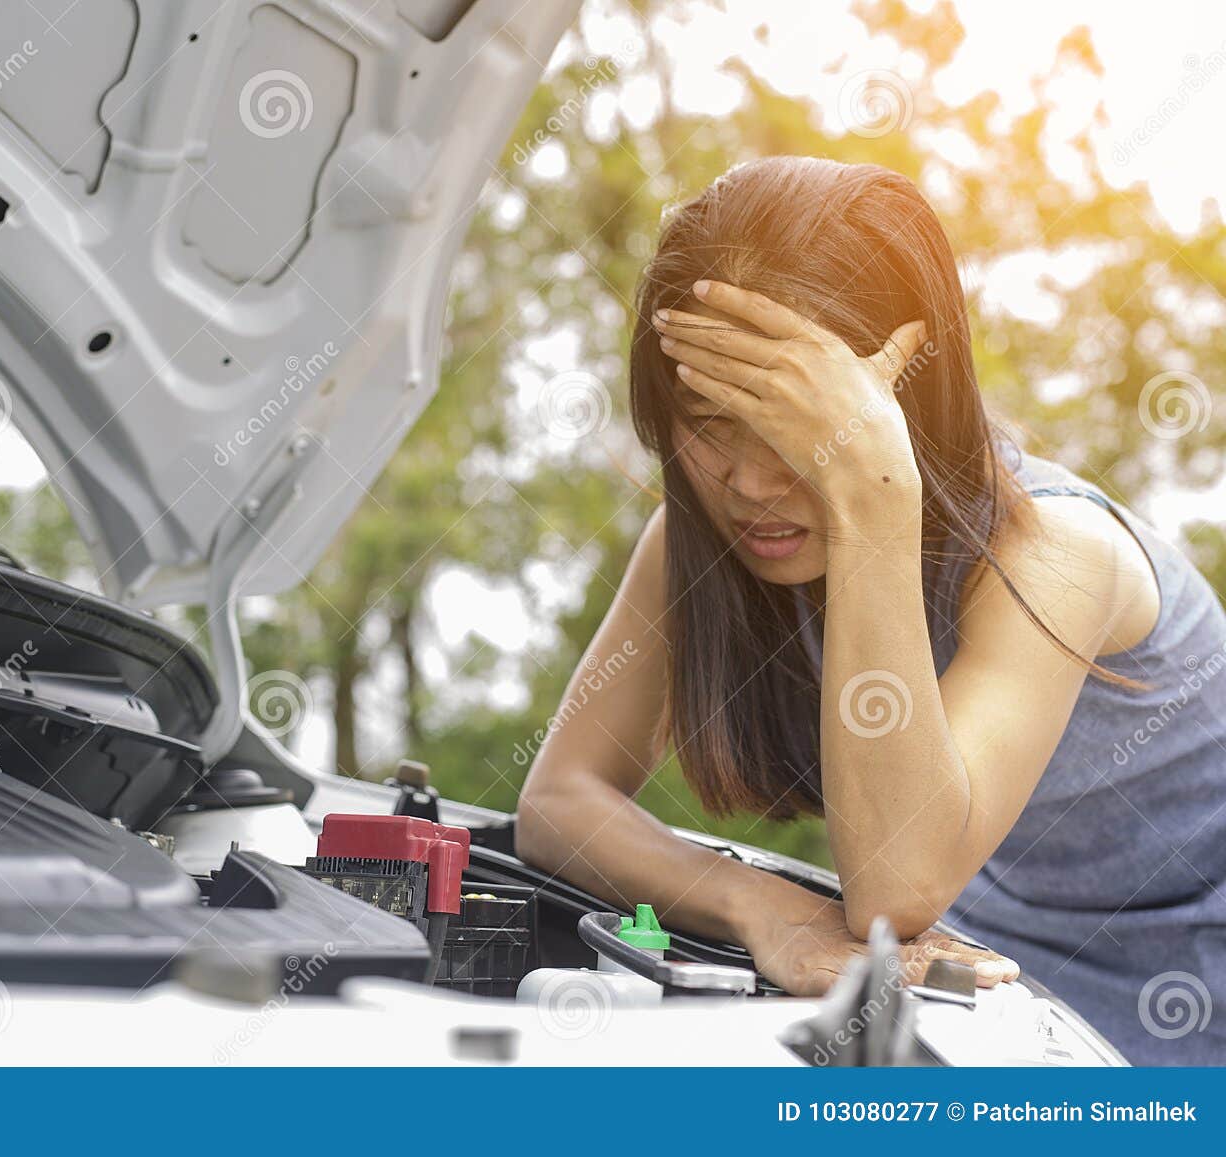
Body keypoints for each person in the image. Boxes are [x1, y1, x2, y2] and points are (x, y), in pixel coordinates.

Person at [515, 155, 1226, 1064]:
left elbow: (896, 887)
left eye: (799, 430)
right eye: (712, 421)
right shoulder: (700, 533)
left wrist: (875, 496)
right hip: (985, 959)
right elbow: (557, 801)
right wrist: (755, 901)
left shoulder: (1057, 554)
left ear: (904, 408)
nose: (751, 483)